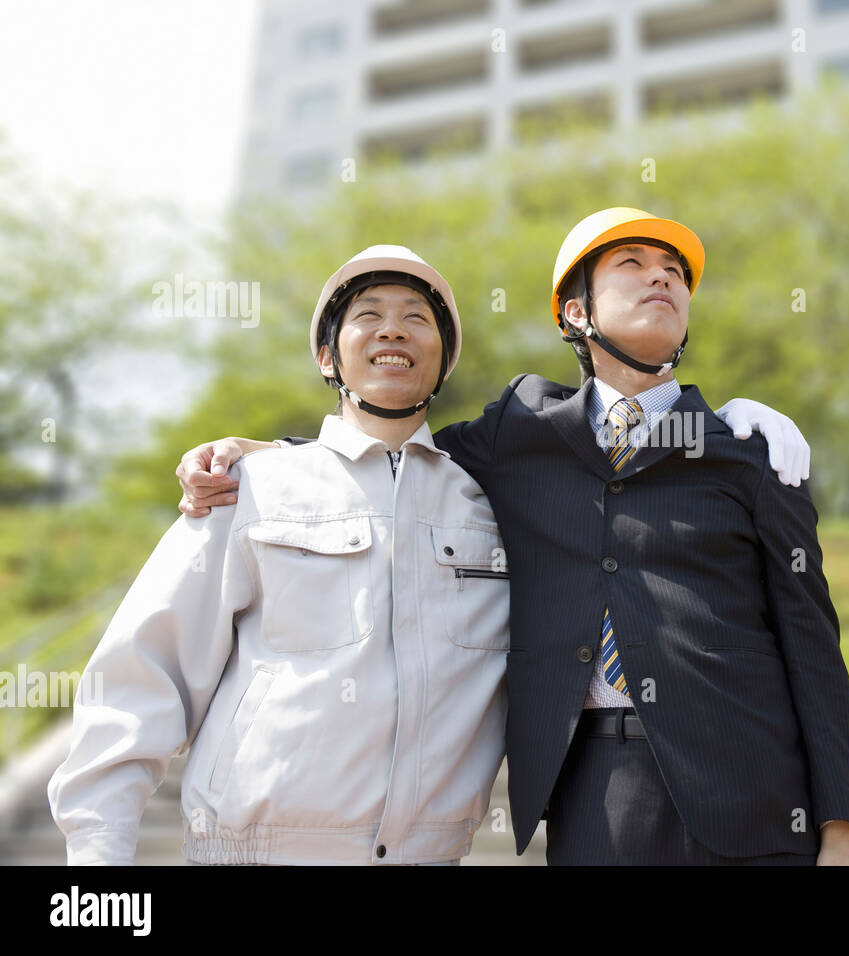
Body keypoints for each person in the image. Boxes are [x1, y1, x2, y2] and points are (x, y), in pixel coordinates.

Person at [178, 207, 849, 865]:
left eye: (675, 272)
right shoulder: (522, 429)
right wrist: (272, 449)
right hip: (595, 796)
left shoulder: (749, 450)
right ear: (577, 312)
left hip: (756, 793)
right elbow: (403, 459)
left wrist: (840, 832)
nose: (663, 278)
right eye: (633, 262)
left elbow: (812, 645)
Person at [49, 246, 510, 865]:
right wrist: (97, 858)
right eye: (368, 314)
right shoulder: (250, 489)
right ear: (328, 356)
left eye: (417, 318)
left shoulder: (489, 508)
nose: (393, 328)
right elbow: (141, 673)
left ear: (444, 362)